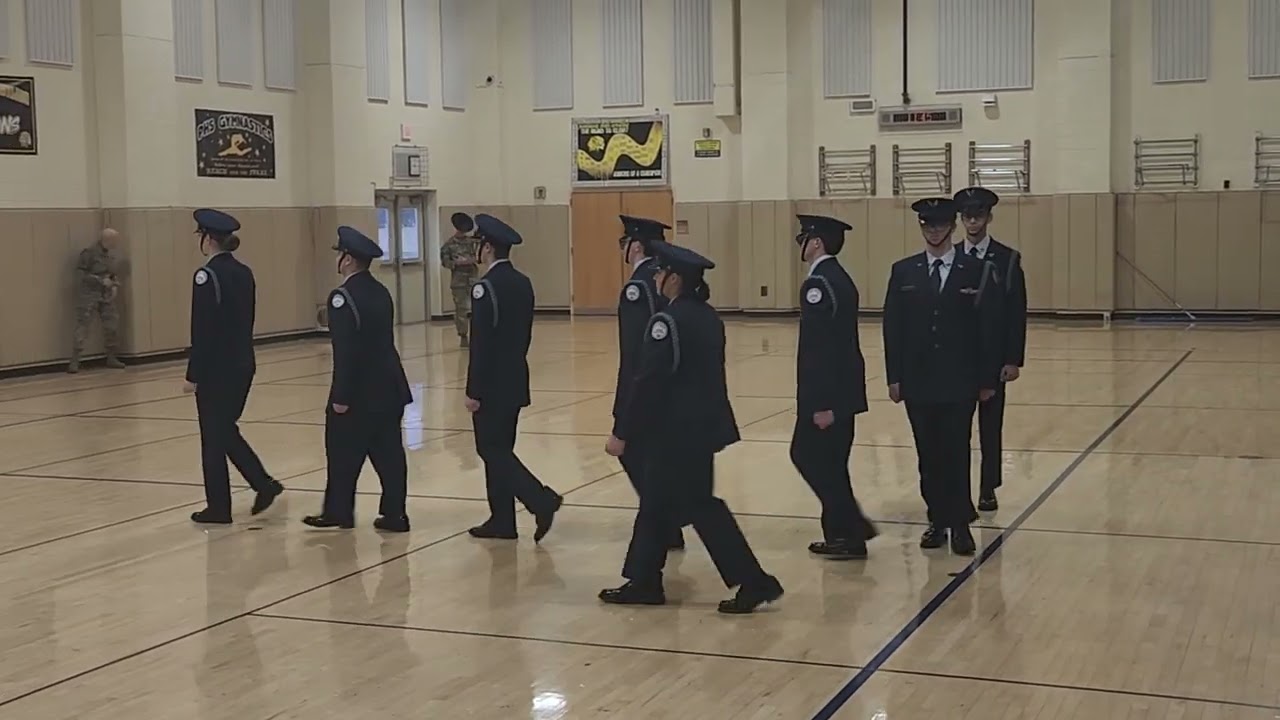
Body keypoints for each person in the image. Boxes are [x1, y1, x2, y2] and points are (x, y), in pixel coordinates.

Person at [601, 242, 783, 614]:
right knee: (657, 503)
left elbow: (649, 381)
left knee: (699, 507)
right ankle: (644, 579)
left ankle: (754, 581)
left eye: (660, 272)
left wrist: (623, 431)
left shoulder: (666, 322)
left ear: (674, 279)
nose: (655, 277)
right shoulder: (706, 316)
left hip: (674, 433)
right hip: (699, 428)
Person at [882, 198, 1002, 556]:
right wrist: (894, 377)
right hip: (918, 381)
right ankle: (936, 518)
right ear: (921, 228)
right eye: (927, 225)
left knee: (956, 450)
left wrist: (986, 380)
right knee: (927, 454)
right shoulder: (904, 271)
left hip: (960, 380)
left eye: (940, 225)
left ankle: (960, 523)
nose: (934, 231)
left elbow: (988, 329)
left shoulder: (974, 270)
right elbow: (894, 328)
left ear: (952, 227)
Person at [303, 226, 413, 533]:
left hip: (360, 392)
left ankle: (339, 511)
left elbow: (347, 351)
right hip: (389, 387)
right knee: (390, 455)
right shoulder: (380, 291)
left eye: (340, 255)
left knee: (341, 453)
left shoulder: (343, 298)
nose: (338, 260)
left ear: (348, 260)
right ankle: (395, 514)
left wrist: (341, 396)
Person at [464, 213, 563, 541]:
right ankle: (502, 519)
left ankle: (540, 499)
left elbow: (481, 344)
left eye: (479, 246)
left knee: (491, 449)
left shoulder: (485, 288)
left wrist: (473, 389)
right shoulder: (522, 283)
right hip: (515, 377)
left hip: (491, 384)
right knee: (501, 448)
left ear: (488, 248)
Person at [185, 208, 283, 524]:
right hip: (242, 362)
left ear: (208, 239)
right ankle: (262, 484)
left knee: (213, 438)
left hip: (217, 369)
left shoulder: (207, 276)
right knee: (223, 431)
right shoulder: (244, 272)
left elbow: (203, 329)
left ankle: (220, 507)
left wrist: (194, 374)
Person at [791, 214, 876, 559]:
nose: (801, 245)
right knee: (830, 462)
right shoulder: (838, 278)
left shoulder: (819, 284)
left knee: (808, 456)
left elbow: (821, 347)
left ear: (816, 242)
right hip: (843, 390)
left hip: (828, 395)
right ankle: (841, 533)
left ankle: (853, 531)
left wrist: (822, 403)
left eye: (804, 239)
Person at [609, 214, 684, 551]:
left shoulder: (638, 287)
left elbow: (635, 353)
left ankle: (664, 524)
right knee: (654, 459)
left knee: (634, 455)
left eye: (624, 244)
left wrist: (625, 407)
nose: (623, 250)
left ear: (636, 246)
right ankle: (668, 526)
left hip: (645, 388)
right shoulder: (665, 277)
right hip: (670, 387)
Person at [953, 187, 1028, 511]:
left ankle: (987, 487)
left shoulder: (1007, 259)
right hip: (956, 361)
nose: (973, 221)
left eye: (978, 215)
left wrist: (1013, 359)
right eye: (967, 216)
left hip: (993, 359)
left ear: (988, 217)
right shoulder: (950, 256)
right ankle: (958, 489)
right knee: (956, 430)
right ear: (960, 219)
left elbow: (1016, 312)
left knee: (990, 428)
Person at [69, 228, 126, 373]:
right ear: (107, 239)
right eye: (115, 240)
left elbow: (112, 274)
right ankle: (75, 360)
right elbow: (80, 275)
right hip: (89, 295)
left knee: (112, 325)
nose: (117, 243)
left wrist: (114, 284)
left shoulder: (110, 256)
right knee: (83, 326)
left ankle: (112, 357)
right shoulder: (89, 253)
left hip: (106, 296)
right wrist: (101, 281)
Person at [441, 212, 480, 347]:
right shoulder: (449, 245)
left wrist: (472, 260)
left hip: (473, 278)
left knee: (478, 307)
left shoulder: (472, 242)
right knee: (461, 309)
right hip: (458, 280)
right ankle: (463, 335)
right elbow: (446, 262)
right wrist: (457, 263)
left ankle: (478, 334)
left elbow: (480, 257)